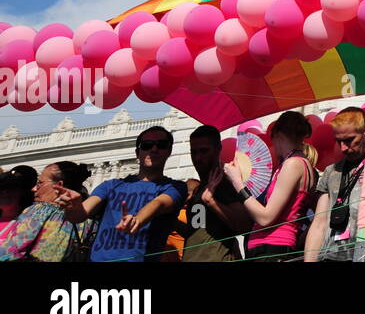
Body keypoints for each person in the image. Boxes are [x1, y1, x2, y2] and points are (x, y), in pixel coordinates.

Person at [54, 127, 187, 262]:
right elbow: (79, 215)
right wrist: (72, 207)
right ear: (137, 152)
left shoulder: (176, 187)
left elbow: (159, 203)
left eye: (161, 145)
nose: (154, 149)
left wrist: (137, 220)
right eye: (147, 145)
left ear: (169, 151)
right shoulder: (110, 185)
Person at [225, 111, 318, 261]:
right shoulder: (299, 164)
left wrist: (237, 182)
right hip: (271, 247)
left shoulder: (293, 164)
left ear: (278, 135)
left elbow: (265, 217)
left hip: (272, 247)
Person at [305, 107, 365, 262]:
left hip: (362, 254)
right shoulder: (332, 171)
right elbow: (319, 222)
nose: (343, 148)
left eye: (349, 140)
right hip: (329, 255)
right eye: (338, 141)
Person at [180, 125, 250, 262]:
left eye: (204, 151)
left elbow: (244, 226)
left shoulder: (224, 183)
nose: (198, 157)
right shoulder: (200, 188)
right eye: (193, 152)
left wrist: (212, 202)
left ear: (218, 149)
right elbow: (198, 232)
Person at [1, 161, 91, 262]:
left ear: (59, 185)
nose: (34, 189)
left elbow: (10, 251)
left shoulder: (38, 211)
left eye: (40, 183)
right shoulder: (86, 222)